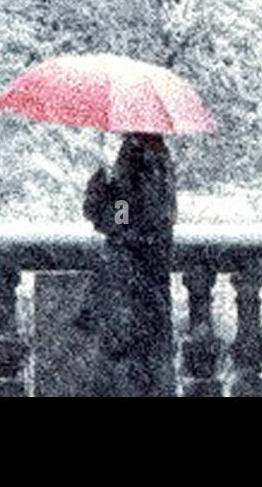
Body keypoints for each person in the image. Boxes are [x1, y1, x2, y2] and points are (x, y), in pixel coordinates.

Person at [79, 132, 177, 397]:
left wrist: (101, 197)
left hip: (131, 289)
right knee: (145, 369)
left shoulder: (139, 160)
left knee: (127, 369)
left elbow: (123, 223)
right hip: (143, 289)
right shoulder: (156, 158)